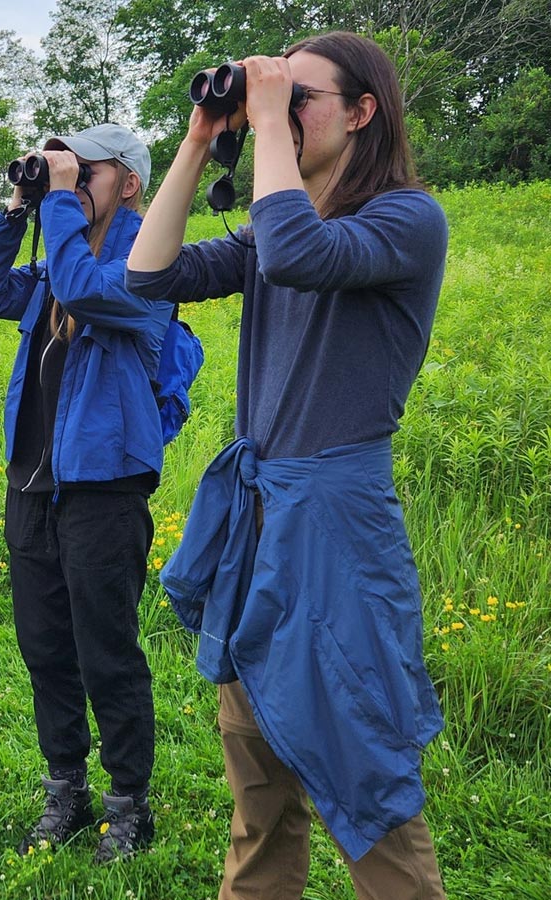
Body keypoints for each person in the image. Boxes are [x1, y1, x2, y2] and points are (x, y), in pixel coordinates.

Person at [125, 32, 448, 899]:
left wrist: (265, 119)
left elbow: (302, 254)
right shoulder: (274, 229)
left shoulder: (406, 220)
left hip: (337, 531)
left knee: (366, 776)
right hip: (258, 527)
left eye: (302, 96)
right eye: (278, 95)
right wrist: (200, 139)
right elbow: (148, 274)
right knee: (258, 790)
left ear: (362, 111)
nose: (283, 108)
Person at [0, 124, 174, 863]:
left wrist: (57, 201)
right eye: (65, 167)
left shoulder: (151, 259)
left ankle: (130, 808)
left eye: (87, 168)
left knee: (105, 650)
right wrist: (19, 205)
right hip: (34, 482)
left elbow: (88, 286)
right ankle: (66, 793)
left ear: (131, 183)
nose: (72, 178)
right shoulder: (56, 262)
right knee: (46, 648)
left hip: (104, 484)